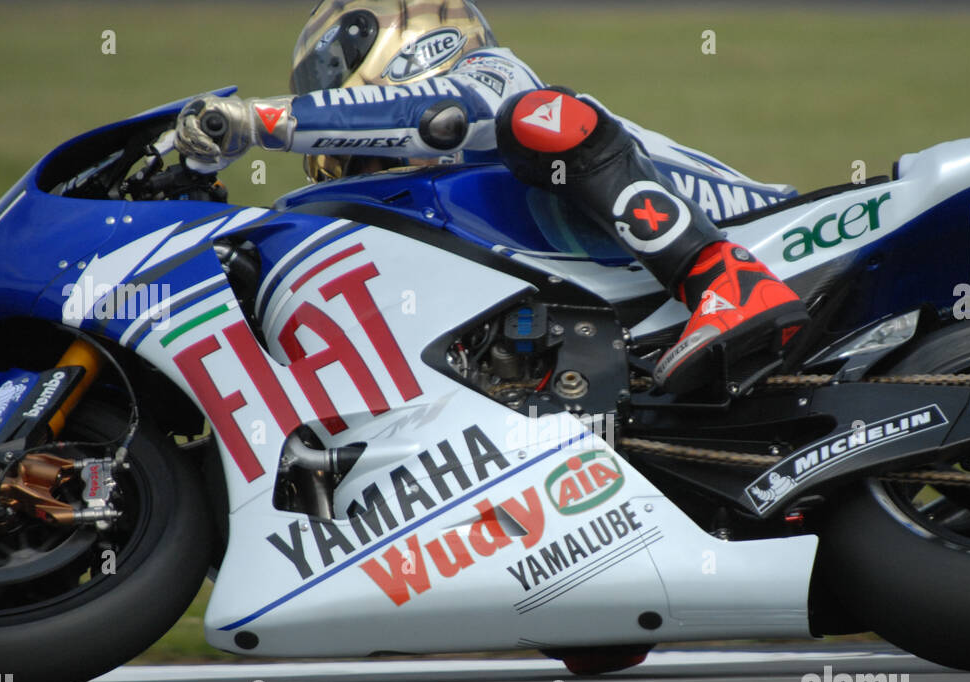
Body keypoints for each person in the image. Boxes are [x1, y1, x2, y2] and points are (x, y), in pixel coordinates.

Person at [175, 0, 814, 395]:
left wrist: (257, 120)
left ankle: (724, 279)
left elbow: (433, 114)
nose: (329, 90)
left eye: (331, 74)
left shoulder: (493, 79)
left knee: (537, 119)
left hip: (773, 235)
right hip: (647, 307)